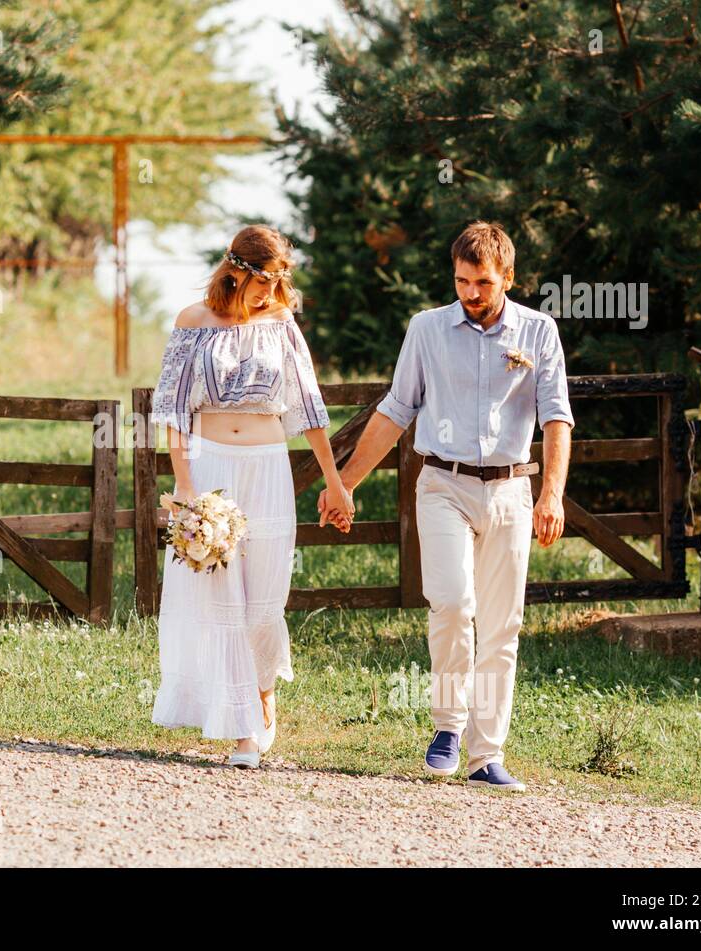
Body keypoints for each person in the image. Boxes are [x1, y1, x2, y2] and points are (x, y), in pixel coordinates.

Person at [320, 221, 574, 791]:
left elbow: (557, 417)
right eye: (461, 281)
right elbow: (395, 410)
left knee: (502, 624)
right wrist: (347, 483)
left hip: (511, 488)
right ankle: (448, 727)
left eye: (482, 282)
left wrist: (552, 494)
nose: (471, 293)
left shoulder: (538, 332)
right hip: (443, 484)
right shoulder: (426, 329)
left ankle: (488, 755)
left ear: (508, 277)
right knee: (454, 604)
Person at [148, 224, 353, 769]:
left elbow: (308, 406)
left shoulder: (281, 324)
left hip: (267, 470)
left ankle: (264, 693)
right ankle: (242, 728)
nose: (269, 294)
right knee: (222, 600)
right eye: (262, 282)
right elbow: (170, 408)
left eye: (278, 282)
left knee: (263, 602)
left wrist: (334, 480)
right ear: (234, 271)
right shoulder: (191, 322)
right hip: (211, 466)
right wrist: (185, 485)